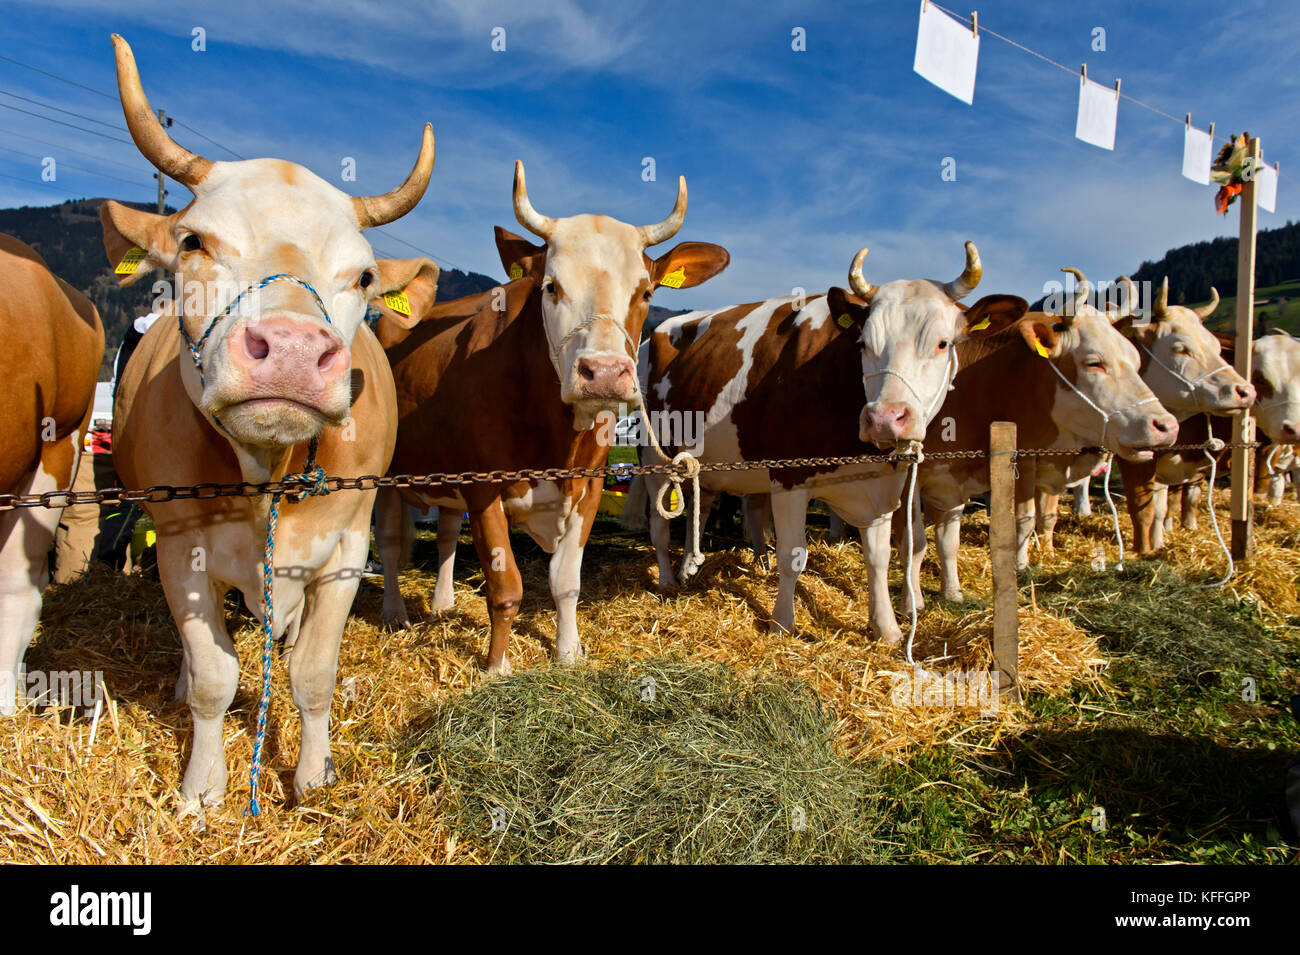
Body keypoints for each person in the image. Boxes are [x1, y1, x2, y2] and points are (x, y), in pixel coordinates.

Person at [53, 312, 159, 580]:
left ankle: (89, 586)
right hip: (111, 440)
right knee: (91, 516)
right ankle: (87, 589)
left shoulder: (141, 332)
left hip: (95, 437)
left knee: (90, 519)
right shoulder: (162, 331)